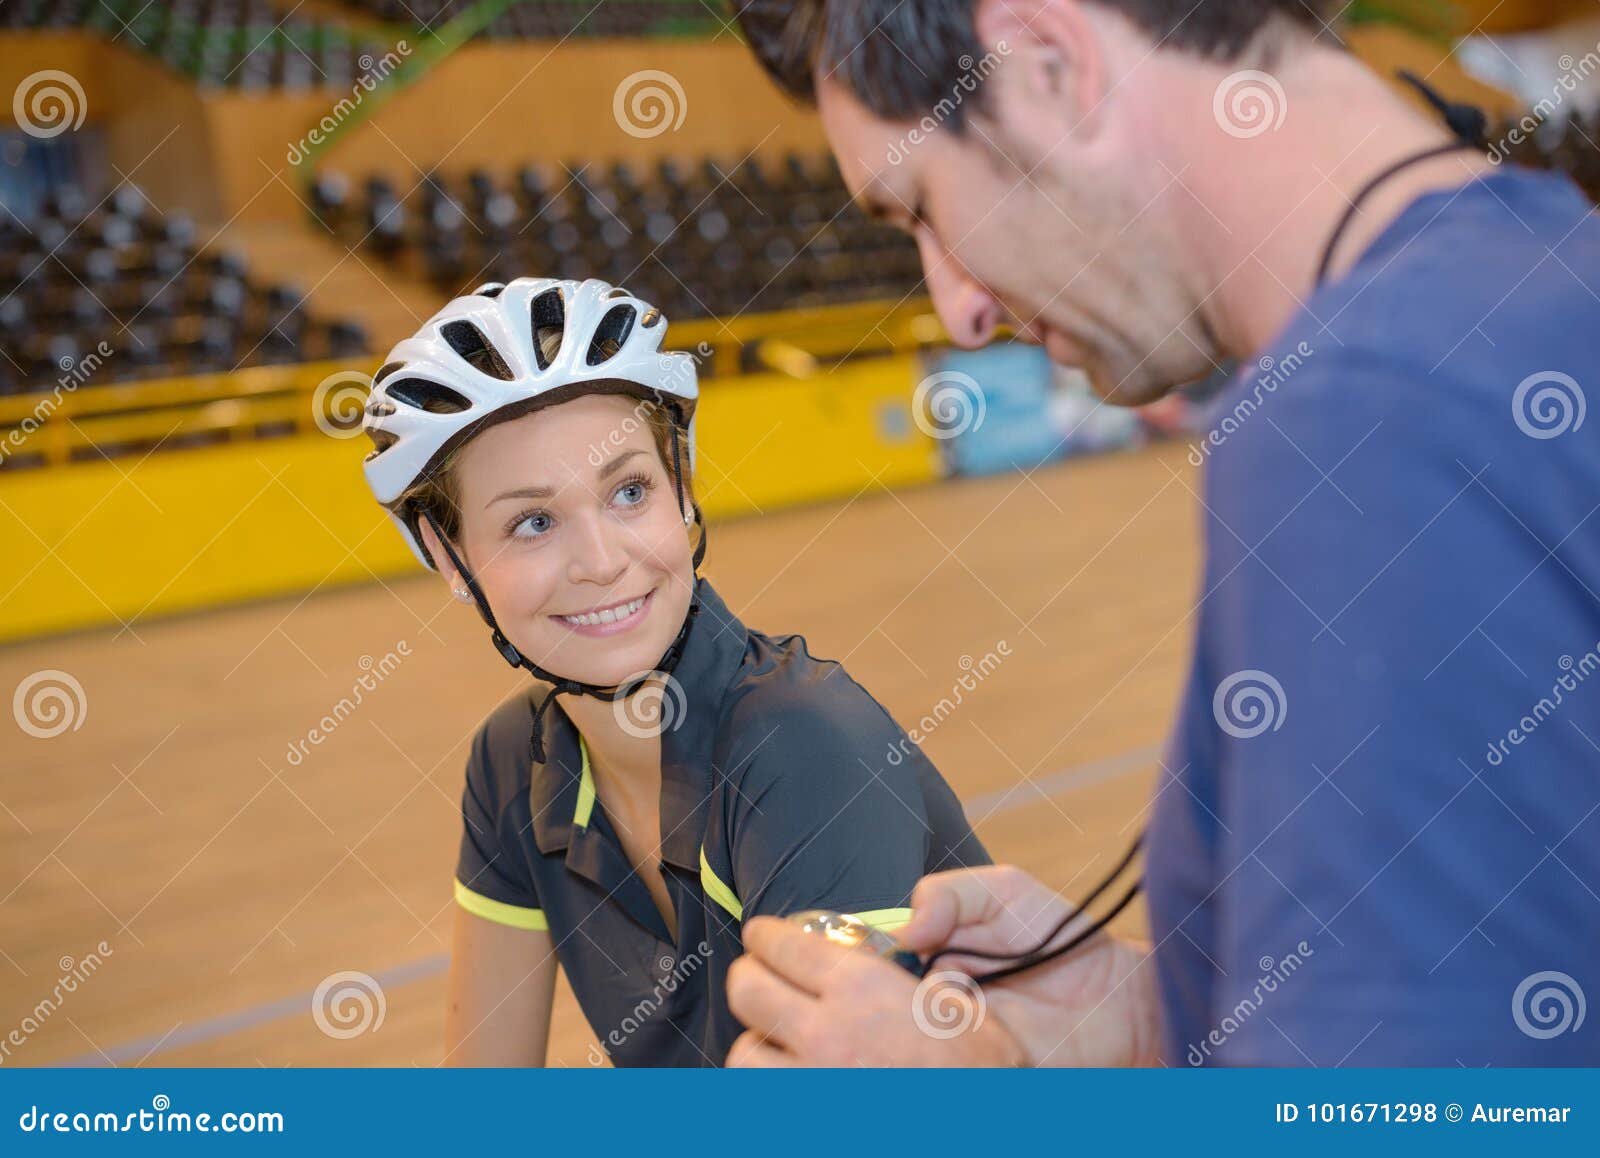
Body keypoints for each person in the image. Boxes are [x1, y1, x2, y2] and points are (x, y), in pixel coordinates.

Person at [725, 0, 1600, 1066]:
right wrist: (1157, 1024)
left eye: (921, 208)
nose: (959, 309)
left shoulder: (1367, 420)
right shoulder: (1540, 277)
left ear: (1046, 61)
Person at [359, 275, 990, 1066]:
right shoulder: (511, 763)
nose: (601, 561)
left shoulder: (806, 744)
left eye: (629, 491)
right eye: (534, 521)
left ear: (682, 489)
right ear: (452, 560)